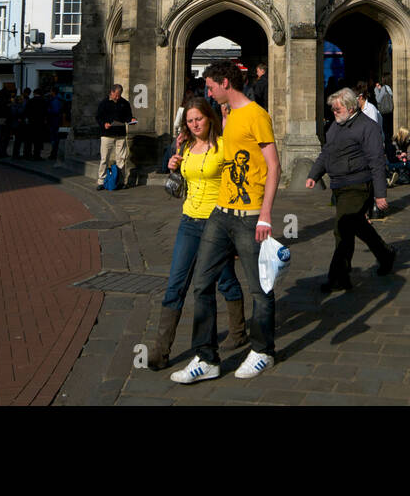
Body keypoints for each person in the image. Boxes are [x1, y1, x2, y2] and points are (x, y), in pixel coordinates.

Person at [171, 60, 280, 384]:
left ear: (225, 84)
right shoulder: (226, 116)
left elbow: (274, 167)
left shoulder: (257, 115)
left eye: (210, 86)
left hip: (249, 217)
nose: (208, 91)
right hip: (220, 213)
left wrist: (265, 215)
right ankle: (206, 358)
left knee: (260, 288)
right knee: (202, 283)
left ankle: (263, 351)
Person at [148, 97, 246, 370]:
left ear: (209, 118)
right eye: (190, 121)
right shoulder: (186, 146)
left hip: (218, 224)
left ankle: (238, 332)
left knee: (224, 280)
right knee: (175, 284)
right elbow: (181, 185)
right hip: (189, 221)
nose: (194, 124)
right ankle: (161, 350)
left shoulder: (225, 146)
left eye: (198, 119)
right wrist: (174, 167)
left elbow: (239, 184)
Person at [307, 87, 396, 293]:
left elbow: (376, 161)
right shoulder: (335, 127)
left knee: (342, 228)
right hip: (339, 185)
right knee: (358, 226)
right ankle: (385, 254)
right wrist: (314, 174)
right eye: (333, 109)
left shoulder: (368, 127)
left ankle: (338, 277)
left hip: (358, 185)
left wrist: (381, 194)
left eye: (337, 109)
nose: (334, 112)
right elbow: (326, 153)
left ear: (349, 107)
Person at [94, 84, 135, 189]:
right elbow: (98, 117)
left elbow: (128, 116)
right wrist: (104, 124)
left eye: (119, 95)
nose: (117, 97)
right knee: (104, 158)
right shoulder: (104, 103)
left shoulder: (124, 103)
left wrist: (132, 120)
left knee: (121, 158)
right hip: (107, 134)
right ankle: (101, 181)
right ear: (111, 92)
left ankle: (120, 181)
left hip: (120, 134)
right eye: (116, 95)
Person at [24, 88, 48, 160]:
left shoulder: (30, 101)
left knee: (29, 139)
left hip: (31, 122)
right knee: (38, 140)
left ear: (35, 93)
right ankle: (36, 155)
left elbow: (26, 111)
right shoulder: (43, 101)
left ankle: (28, 155)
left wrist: (28, 118)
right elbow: (45, 112)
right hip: (40, 123)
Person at [0, 89, 12, 157]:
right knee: (5, 137)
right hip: (5, 120)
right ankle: (3, 152)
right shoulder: (7, 102)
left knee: (1, 136)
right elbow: (8, 112)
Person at [46, 89, 64, 159]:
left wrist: (48, 110)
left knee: (54, 138)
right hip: (56, 121)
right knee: (55, 138)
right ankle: (54, 153)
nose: (49, 93)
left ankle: (53, 154)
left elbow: (55, 111)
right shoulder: (58, 99)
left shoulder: (55, 100)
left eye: (50, 91)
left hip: (54, 121)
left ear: (53, 92)